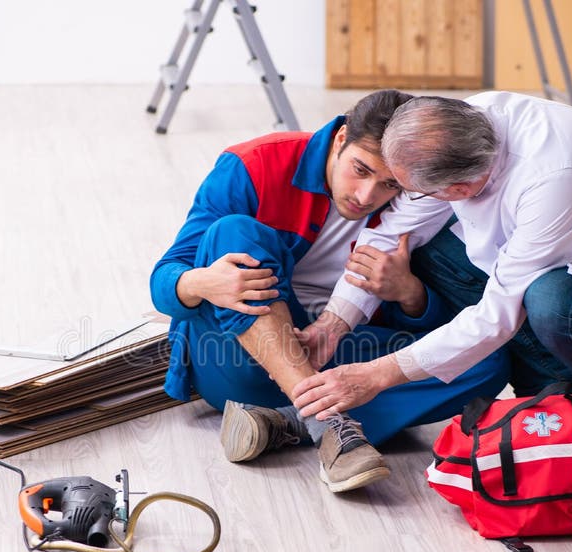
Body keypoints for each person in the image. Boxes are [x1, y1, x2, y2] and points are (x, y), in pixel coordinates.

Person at [292, 91, 572, 458]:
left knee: (553, 301)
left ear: (462, 190)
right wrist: (335, 322)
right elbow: (394, 232)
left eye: (412, 192)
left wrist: (376, 374)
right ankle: (549, 388)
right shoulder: (462, 124)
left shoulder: (557, 177)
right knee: (430, 248)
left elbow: (499, 313)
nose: (395, 199)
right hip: (568, 256)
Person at [150, 90, 508, 493]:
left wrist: (409, 293)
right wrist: (199, 282)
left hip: (337, 359)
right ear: (340, 138)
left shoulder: (415, 199)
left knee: (487, 361)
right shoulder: (254, 164)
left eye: (389, 184)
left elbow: (438, 325)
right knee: (233, 231)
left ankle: (282, 422)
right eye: (360, 169)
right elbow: (162, 283)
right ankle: (327, 424)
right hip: (238, 356)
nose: (366, 196)